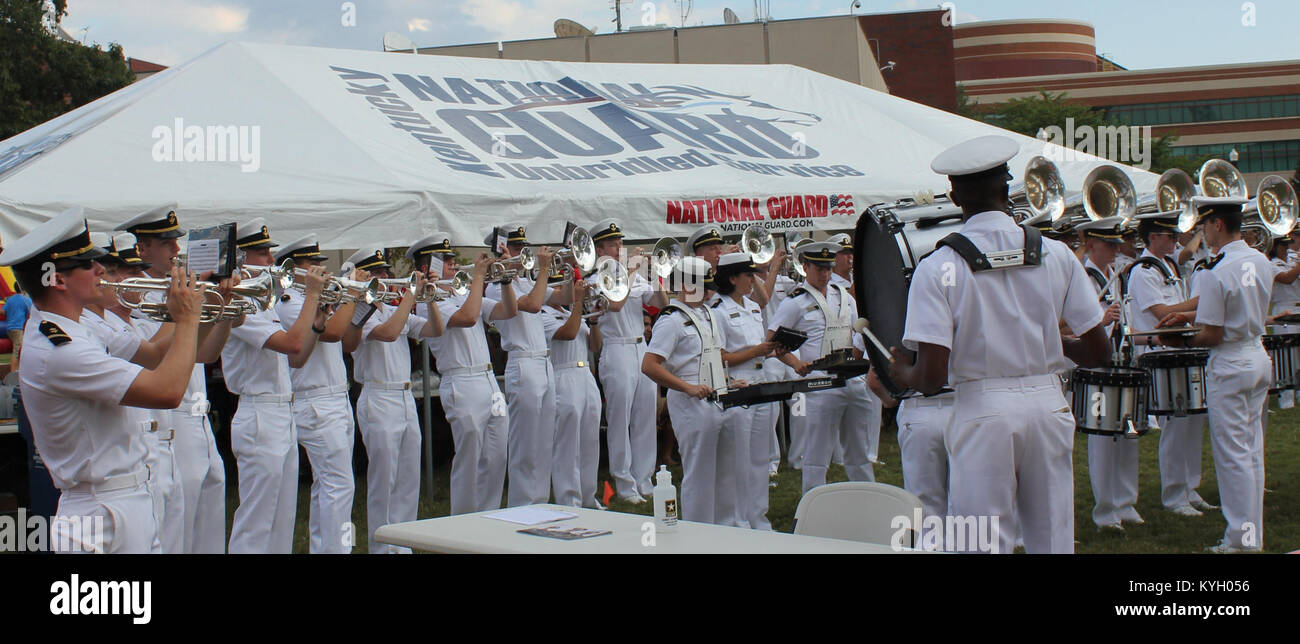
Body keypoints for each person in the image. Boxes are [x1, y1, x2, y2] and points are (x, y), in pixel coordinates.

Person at [888, 135, 1111, 554]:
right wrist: (1050, 342)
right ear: (1007, 188)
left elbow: (933, 378)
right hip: (1048, 404)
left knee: (981, 540)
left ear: (954, 196)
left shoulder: (938, 266)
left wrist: (903, 373)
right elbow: (1100, 352)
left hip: (983, 409)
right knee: (1053, 535)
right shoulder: (1057, 254)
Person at [1, 206, 204, 553]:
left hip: (123, 500)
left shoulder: (75, 330)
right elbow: (168, 391)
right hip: (103, 511)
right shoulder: (60, 348)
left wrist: (185, 311)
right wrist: (186, 320)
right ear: (58, 279)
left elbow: (154, 356)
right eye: (86, 264)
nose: (99, 269)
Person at [1157, 196, 1274, 553]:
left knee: (1233, 457)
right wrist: (1188, 317)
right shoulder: (1260, 260)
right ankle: (1252, 535)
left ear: (1217, 225)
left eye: (1204, 226)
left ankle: (1241, 541)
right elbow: (1237, 306)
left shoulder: (1215, 270)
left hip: (1230, 362)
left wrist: (1174, 339)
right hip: (1256, 353)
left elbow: (1213, 333)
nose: (1203, 234)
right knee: (1252, 453)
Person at [117, 203, 230, 553]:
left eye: (176, 243)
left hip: (198, 416)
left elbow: (205, 354)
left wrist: (220, 308)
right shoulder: (135, 296)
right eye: (167, 244)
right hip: (170, 417)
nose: (177, 250)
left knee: (210, 526)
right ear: (143, 248)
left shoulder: (178, 290)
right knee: (177, 532)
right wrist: (183, 313)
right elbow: (154, 355)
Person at [223, 218, 329, 554]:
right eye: (261, 253)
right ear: (240, 260)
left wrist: (317, 321)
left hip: (280, 411)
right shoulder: (239, 302)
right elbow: (292, 345)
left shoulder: (263, 300)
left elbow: (297, 358)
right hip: (259, 412)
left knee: (283, 520)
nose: (271, 260)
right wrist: (311, 294)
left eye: (269, 252)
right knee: (256, 523)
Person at [82, 232, 188, 553]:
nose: (118, 279)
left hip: (146, 454)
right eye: (112, 270)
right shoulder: (89, 327)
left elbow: (161, 355)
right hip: (115, 472)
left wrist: (193, 313)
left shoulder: (115, 325)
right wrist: (181, 313)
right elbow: (160, 371)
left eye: (122, 271)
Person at [346, 246, 442, 552]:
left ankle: (403, 546)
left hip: (403, 398)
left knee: (407, 481)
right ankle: (380, 548)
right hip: (378, 397)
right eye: (376, 273)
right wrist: (411, 296)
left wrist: (429, 297)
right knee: (383, 483)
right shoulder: (361, 312)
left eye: (384, 272)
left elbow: (434, 330)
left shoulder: (393, 307)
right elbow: (388, 333)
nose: (385, 277)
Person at [275, 236, 366, 554]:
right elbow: (334, 333)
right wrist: (353, 291)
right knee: (338, 486)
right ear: (291, 268)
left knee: (329, 486)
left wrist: (353, 300)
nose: (319, 270)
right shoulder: (290, 302)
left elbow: (347, 340)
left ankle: (324, 548)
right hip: (315, 401)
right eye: (309, 264)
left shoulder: (316, 300)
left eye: (319, 264)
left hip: (335, 398)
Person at [767, 241, 876, 494]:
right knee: (817, 452)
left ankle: (867, 498)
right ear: (805, 268)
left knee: (859, 448)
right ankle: (811, 505)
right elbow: (772, 342)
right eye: (818, 268)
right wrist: (796, 364)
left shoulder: (844, 296)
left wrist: (859, 357)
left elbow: (858, 331)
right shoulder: (795, 301)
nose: (824, 274)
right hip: (820, 381)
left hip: (851, 376)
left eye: (827, 268)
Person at [1127, 210, 1214, 517]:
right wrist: (1206, 300)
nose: (1177, 240)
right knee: (1175, 425)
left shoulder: (1169, 265)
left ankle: (1190, 487)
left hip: (1179, 351)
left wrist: (1199, 303)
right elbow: (1162, 314)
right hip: (1159, 355)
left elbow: (1177, 311)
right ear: (1153, 237)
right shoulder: (1143, 271)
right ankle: (1174, 495)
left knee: (1192, 421)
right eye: (1171, 236)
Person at [642, 257, 737, 524]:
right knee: (700, 471)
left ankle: (725, 527)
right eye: (701, 285)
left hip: (719, 397)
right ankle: (699, 530)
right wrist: (688, 387)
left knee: (725, 470)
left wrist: (727, 382)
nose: (708, 291)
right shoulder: (670, 320)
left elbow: (712, 356)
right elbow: (649, 365)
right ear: (684, 285)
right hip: (691, 402)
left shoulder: (707, 313)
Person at [587, 219, 668, 503]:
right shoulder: (595, 278)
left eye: (620, 242)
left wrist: (655, 273)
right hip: (616, 349)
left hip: (640, 347)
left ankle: (645, 479)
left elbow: (661, 303)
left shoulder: (633, 274)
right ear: (599, 249)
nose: (620, 246)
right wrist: (632, 270)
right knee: (620, 419)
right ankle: (624, 483)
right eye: (613, 243)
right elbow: (617, 303)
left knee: (646, 415)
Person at [431, 248, 517, 515]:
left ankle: (488, 516)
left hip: (488, 380)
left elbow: (509, 310)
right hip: (461, 381)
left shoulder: (464, 294)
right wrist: (479, 276)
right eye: (446, 262)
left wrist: (505, 279)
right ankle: (463, 522)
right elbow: (467, 318)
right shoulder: (432, 301)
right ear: (429, 268)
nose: (454, 264)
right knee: (470, 459)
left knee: (496, 456)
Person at [484, 225, 558, 507]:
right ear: (500, 251)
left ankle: (540, 502)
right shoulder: (494, 287)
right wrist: (543, 270)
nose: (521, 253)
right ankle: (522, 506)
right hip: (523, 363)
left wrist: (577, 277)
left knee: (543, 441)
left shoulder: (525, 281)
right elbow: (534, 303)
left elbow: (561, 297)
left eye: (521, 248)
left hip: (543, 361)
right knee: (525, 444)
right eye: (515, 249)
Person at [1075, 216, 1140, 531]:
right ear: (1091, 245)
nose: (1116, 249)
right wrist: (1101, 320)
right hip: (1097, 368)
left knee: (1128, 433)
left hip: (1121, 360)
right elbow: (1070, 324)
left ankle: (1126, 502)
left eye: (1117, 243)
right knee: (1102, 438)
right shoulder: (1082, 278)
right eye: (1109, 244)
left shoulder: (1115, 276)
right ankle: (1105, 512)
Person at [712, 252, 783, 529]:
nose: (753, 281)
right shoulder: (718, 311)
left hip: (760, 381)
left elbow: (760, 351)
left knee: (759, 456)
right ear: (732, 278)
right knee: (737, 458)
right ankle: (735, 519)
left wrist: (776, 351)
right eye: (748, 275)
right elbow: (719, 357)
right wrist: (756, 351)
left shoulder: (753, 308)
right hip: (737, 384)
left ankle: (757, 517)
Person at [541, 281, 603, 509]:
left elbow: (595, 346)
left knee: (589, 440)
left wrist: (594, 319)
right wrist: (578, 303)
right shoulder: (543, 314)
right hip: (562, 374)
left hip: (585, 372)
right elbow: (567, 334)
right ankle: (569, 498)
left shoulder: (571, 312)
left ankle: (588, 496)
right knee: (567, 441)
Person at [1266, 234, 1300, 409]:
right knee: (1285, 354)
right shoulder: (1272, 264)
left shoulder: (1292, 261)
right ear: (1275, 246)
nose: (1286, 249)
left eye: (1288, 245)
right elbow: (1287, 278)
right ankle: (1286, 399)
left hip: (1298, 307)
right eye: (1283, 245)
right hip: (1283, 308)